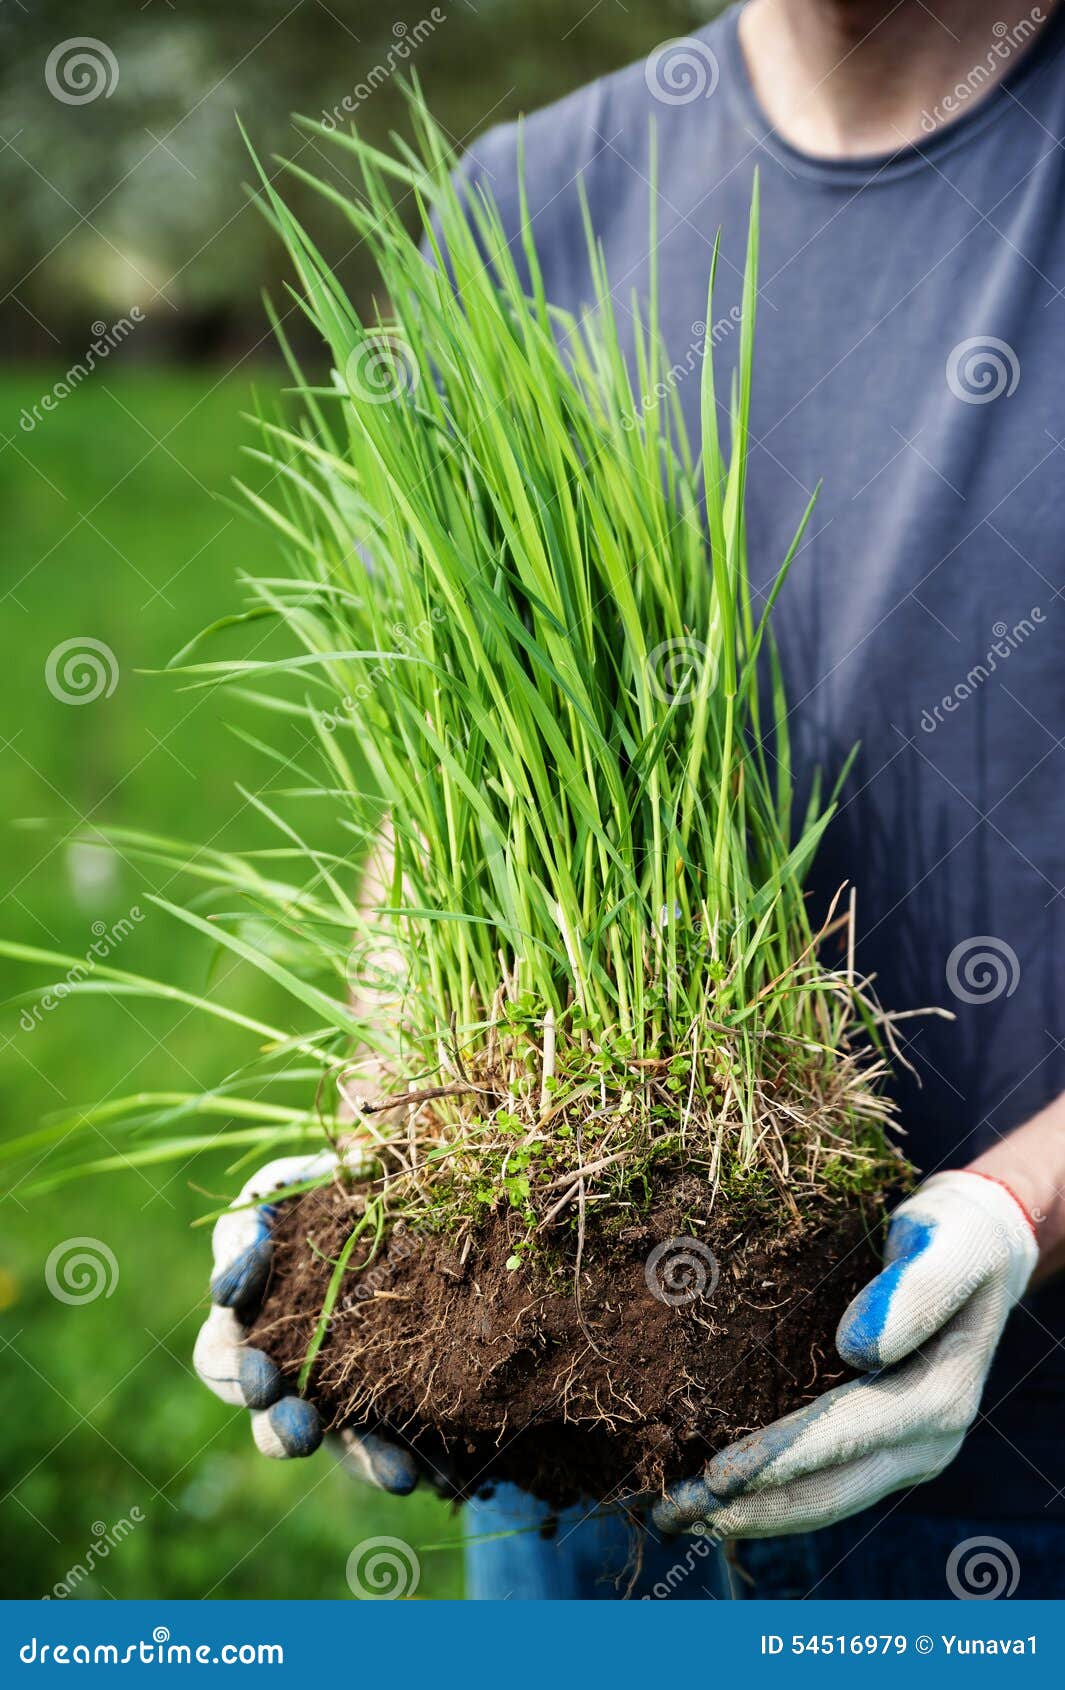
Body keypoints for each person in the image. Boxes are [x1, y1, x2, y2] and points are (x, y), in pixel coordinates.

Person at [195, 0, 1065, 1598]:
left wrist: (1024, 1203)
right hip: (569, 1494)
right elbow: (457, 780)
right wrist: (392, 1148)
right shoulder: (524, 201)